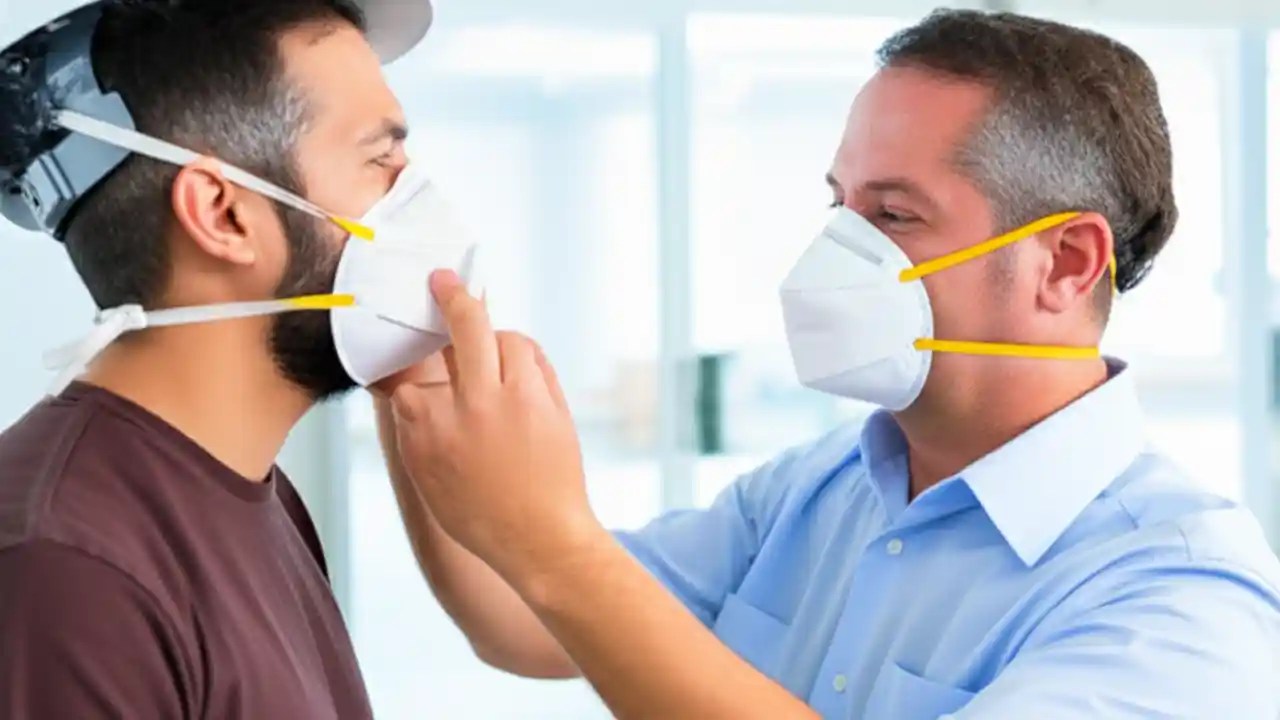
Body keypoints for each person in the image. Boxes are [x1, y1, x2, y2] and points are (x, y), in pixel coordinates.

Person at [380, 9, 1280, 719]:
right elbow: (524, 620)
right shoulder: (821, 488)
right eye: (839, 206)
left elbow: (556, 575)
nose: (838, 252)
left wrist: (556, 539)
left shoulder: (1181, 601)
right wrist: (405, 359)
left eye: (894, 215)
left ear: (1067, 264)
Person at [0, 0, 449, 717]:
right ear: (223, 213)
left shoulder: (248, 491)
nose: (419, 201)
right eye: (380, 159)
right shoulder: (67, 570)